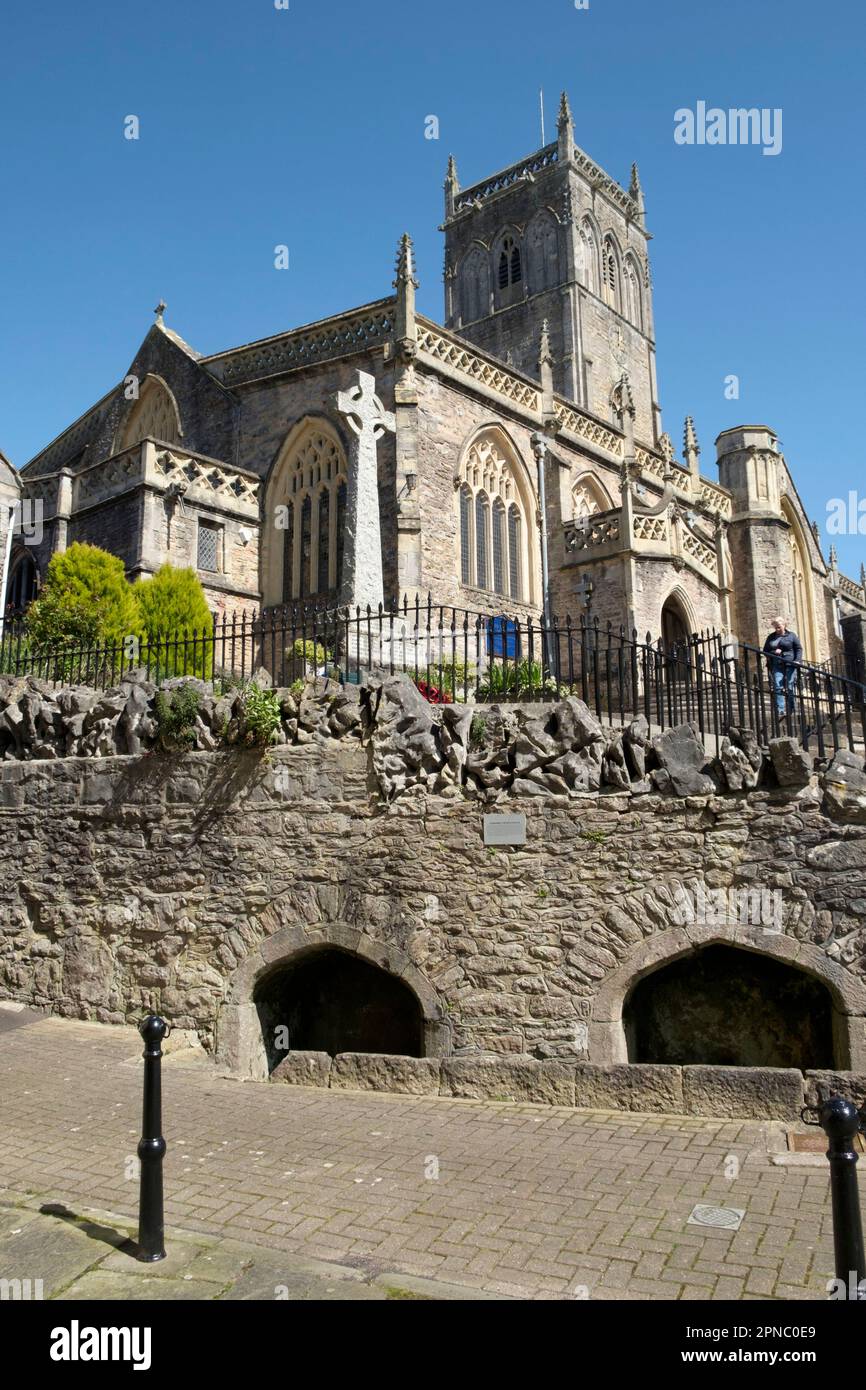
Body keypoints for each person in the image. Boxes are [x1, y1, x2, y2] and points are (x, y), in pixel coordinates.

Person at [763, 616, 802, 720]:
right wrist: (773, 652)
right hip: (777, 664)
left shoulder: (792, 636)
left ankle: (791, 708)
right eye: (775, 627)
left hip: (790, 664)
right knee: (778, 686)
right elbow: (765, 650)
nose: (777, 629)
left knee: (789, 686)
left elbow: (798, 649)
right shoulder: (771, 637)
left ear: (784, 625)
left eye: (779, 627)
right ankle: (780, 709)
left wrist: (797, 660)